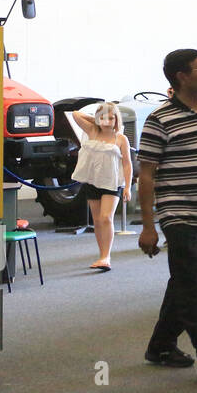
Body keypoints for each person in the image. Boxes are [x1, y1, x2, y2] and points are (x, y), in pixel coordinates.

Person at [138, 49, 197, 385]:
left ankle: (160, 346)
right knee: (191, 286)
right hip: (178, 213)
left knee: (186, 282)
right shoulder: (159, 119)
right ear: (181, 76)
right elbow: (146, 174)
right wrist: (149, 227)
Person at [70, 102, 132, 271]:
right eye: (103, 118)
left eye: (111, 118)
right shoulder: (92, 131)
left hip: (112, 182)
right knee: (97, 220)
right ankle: (102, 254)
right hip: (94, 180)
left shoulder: (121, 138)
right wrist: (97, 119)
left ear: (116, 119)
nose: (107, 122)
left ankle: (107, 256)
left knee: (106, 218)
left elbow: (127, 163)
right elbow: (75, 114)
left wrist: (127, 186)